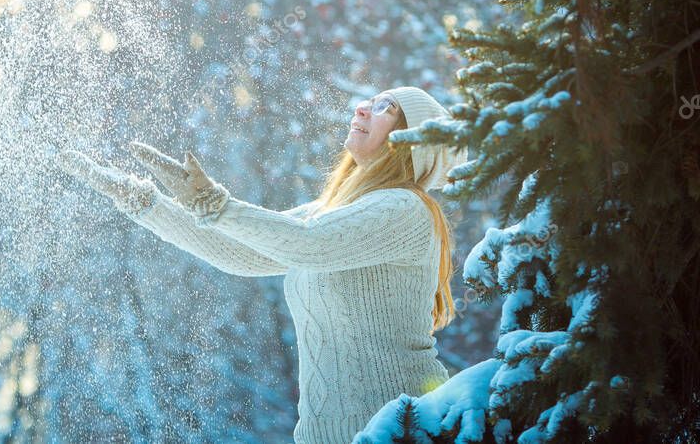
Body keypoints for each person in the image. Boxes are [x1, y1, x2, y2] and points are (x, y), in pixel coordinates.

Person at [57, 85, 468, 444]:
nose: (362, 108)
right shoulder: (333, 210)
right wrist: (144, 202)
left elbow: (307, 244)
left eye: (386, 109)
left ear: (412, 144)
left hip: (402, 430)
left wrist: (216, 204)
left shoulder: (404, 209)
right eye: (370, 101)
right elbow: (236, 251)